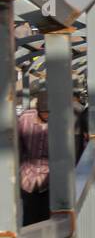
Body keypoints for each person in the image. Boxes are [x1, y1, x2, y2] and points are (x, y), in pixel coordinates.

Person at [18, 92, 51, 225]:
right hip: (27, 177)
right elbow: (16, 145)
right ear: (37, 108)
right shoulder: (25, 118)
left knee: (46, 218)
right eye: (43, 112)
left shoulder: (59, 121)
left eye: (48, 112)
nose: (46, 116)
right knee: (29, 217)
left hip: (50, 178)